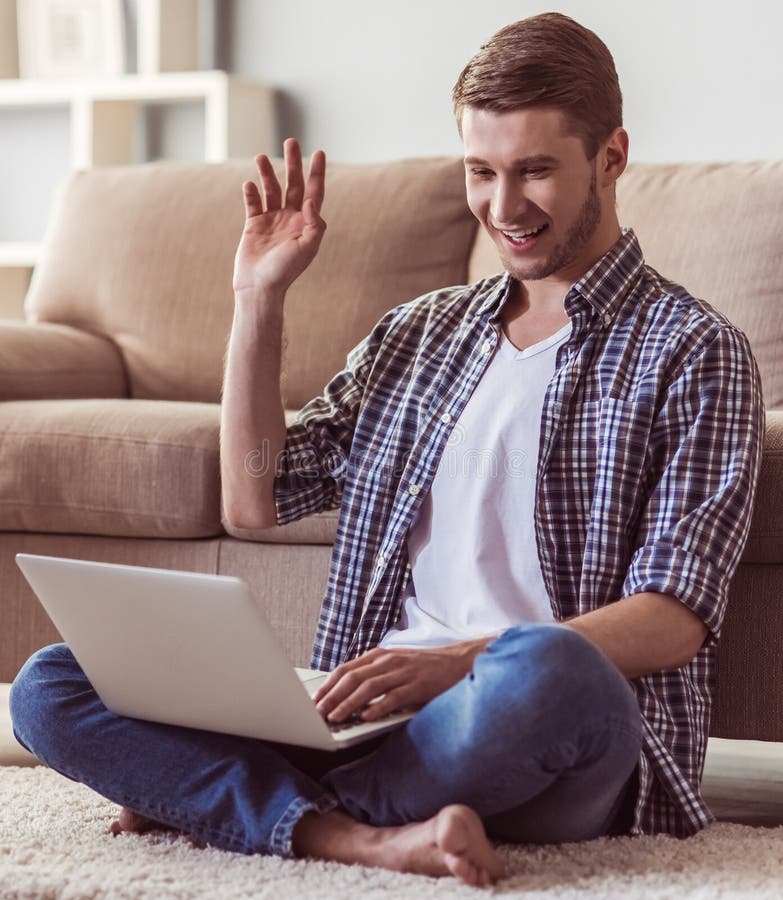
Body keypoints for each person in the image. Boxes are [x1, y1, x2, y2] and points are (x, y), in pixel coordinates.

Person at [10, 12, 763, 888]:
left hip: (529, 724)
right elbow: (254, 500)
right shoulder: (420, 335)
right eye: (481, 172)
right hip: (366, 723)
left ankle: (231, 801)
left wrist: (450, 664)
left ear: (611, 156)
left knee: (547, 665)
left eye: (535, 171)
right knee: (53, 681)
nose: (503, 208)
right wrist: (257, 302)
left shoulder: (692, 349)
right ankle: (360, 838)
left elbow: (672, 618)